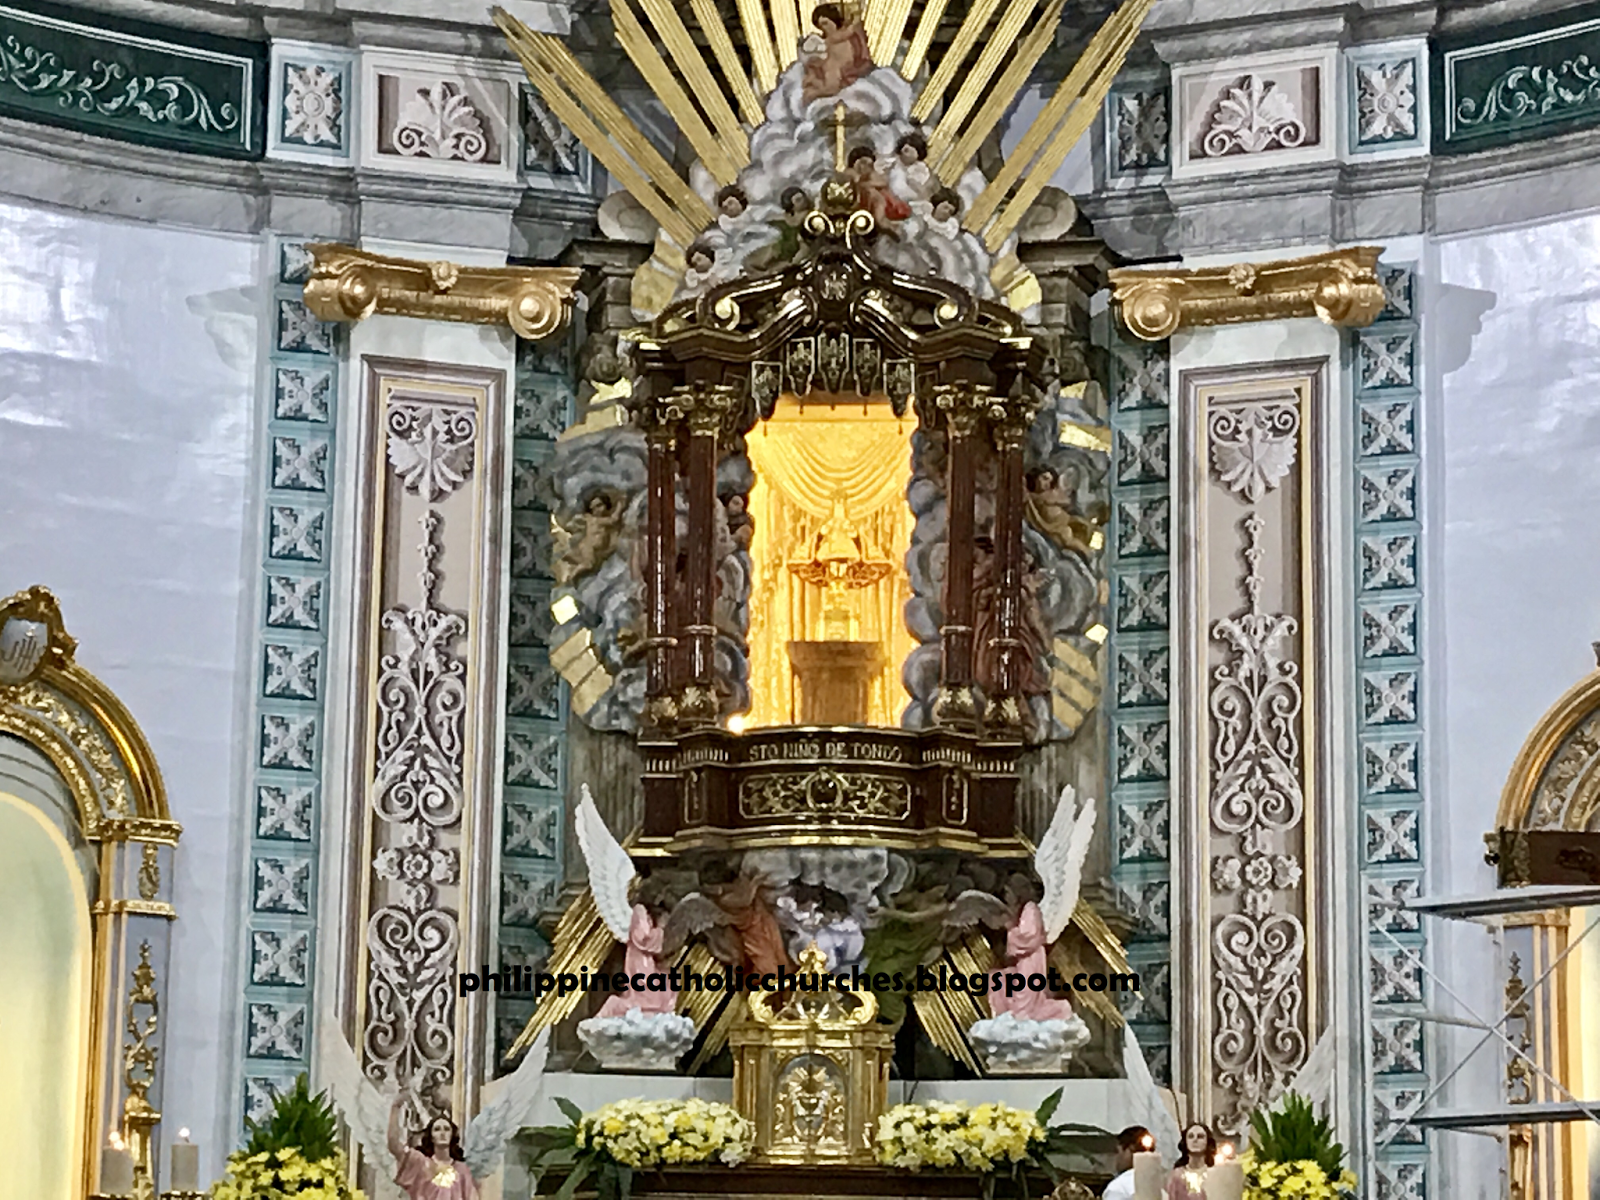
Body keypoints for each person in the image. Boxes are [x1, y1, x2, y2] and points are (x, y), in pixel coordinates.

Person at [388, 1098, 477, 1200]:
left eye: (447, 1129)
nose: (442, 1133)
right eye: (437, 1129)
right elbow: (394, 1146)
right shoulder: (420, 1164)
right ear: (431, 1136)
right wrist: (395, 1107)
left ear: (452, 1135)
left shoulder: (462, 1170)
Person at [800, 2, 873, 103]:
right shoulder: (830, 38)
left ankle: (821, 91)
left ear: (833, 20)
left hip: (843, 66)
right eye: (820, 25)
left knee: (831, 76)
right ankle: (818, 89)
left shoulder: (841, 34)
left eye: (825, 23)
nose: (823, 28)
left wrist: (855, 19)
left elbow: (851, 32)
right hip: (832, 64)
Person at [847, 146, 910, 226]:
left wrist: (867, 184)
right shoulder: (851, 173)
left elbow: (883, 183)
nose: (866, 167)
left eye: (869, 165)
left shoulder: (871, 175)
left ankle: (880, 220)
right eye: (863, 163)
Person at [1166, 1123, 1216, 1200]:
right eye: (1190, 1136)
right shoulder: (1177, 1175)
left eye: (1200, 1137)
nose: (1195, 1140)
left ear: (1208, 1142)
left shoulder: (1214, 1174)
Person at [1103, 1126, 1154, 1200]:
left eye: (1118, 1151)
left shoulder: (1119, 1188)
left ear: (1130, 1150)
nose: (1117, 1158)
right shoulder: (1159, 1184)